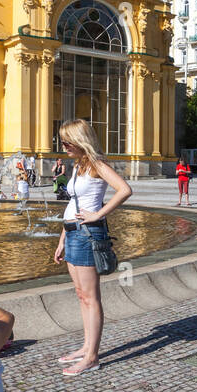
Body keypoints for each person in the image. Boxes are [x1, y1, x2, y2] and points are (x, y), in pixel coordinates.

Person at [52, 118, 133, 377]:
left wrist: (98, 214)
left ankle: (92, 357)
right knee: (80, 294)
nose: (62, 145)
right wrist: (62, 239)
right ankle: (86, 347)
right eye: (62, 141)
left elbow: (124, 190)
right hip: (74, 233)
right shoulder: (78, 165)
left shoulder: (97, 164)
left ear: (79, 140)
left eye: (66, 141)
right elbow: (73, 204)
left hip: (88, 234)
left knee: (90, 297)